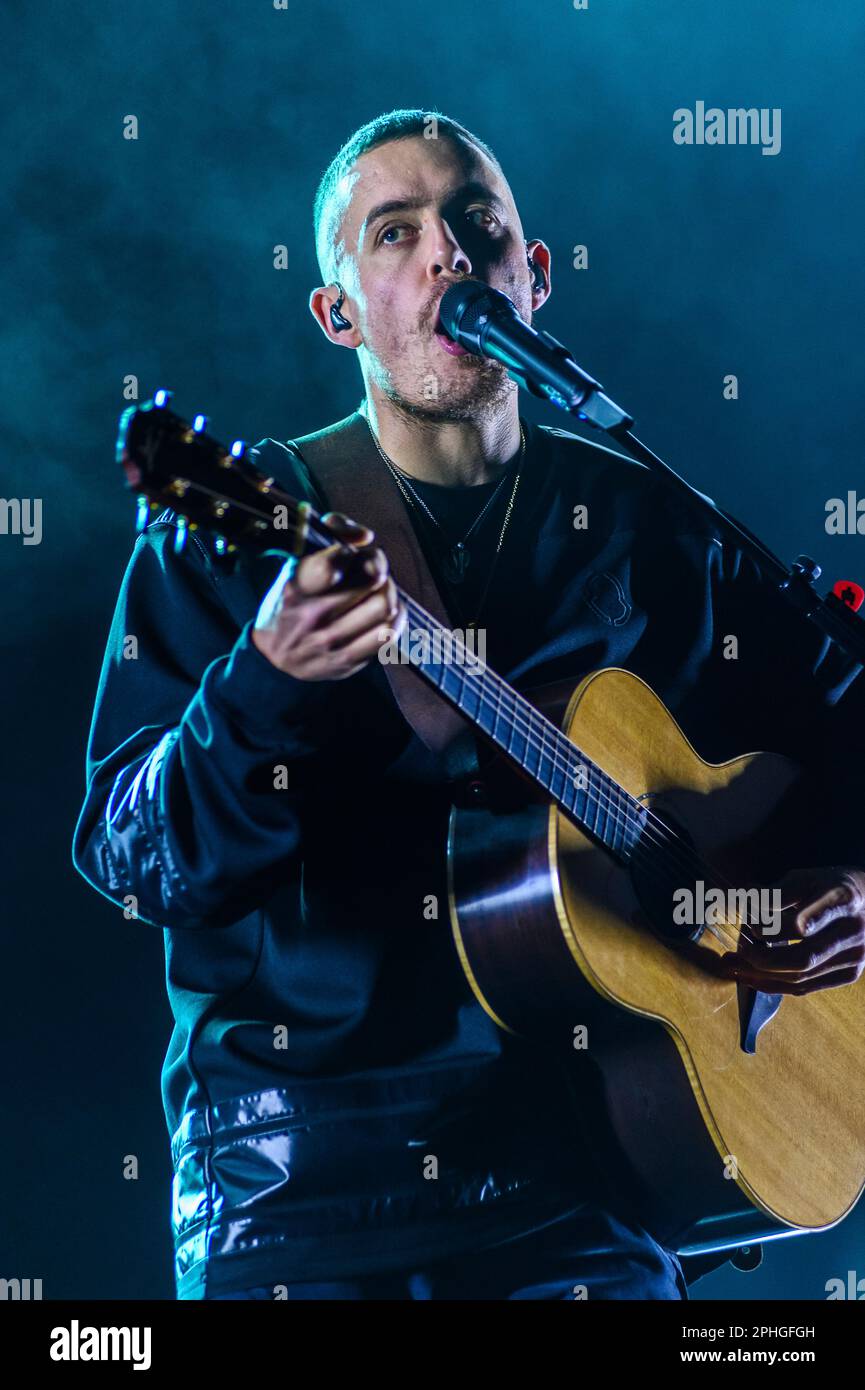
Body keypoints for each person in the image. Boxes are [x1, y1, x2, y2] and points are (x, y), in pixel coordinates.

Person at [73, 108, 865, 1301]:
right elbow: (134, 859)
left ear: (529, 277)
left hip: (597, 1168)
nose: (446, 252)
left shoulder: (648, 525)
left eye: (474, 222)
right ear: (339, 313)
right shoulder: (242, 535)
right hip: (300, 1191)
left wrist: (850, 882)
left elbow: (842, 718)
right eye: (394, 233)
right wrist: (263, 682)